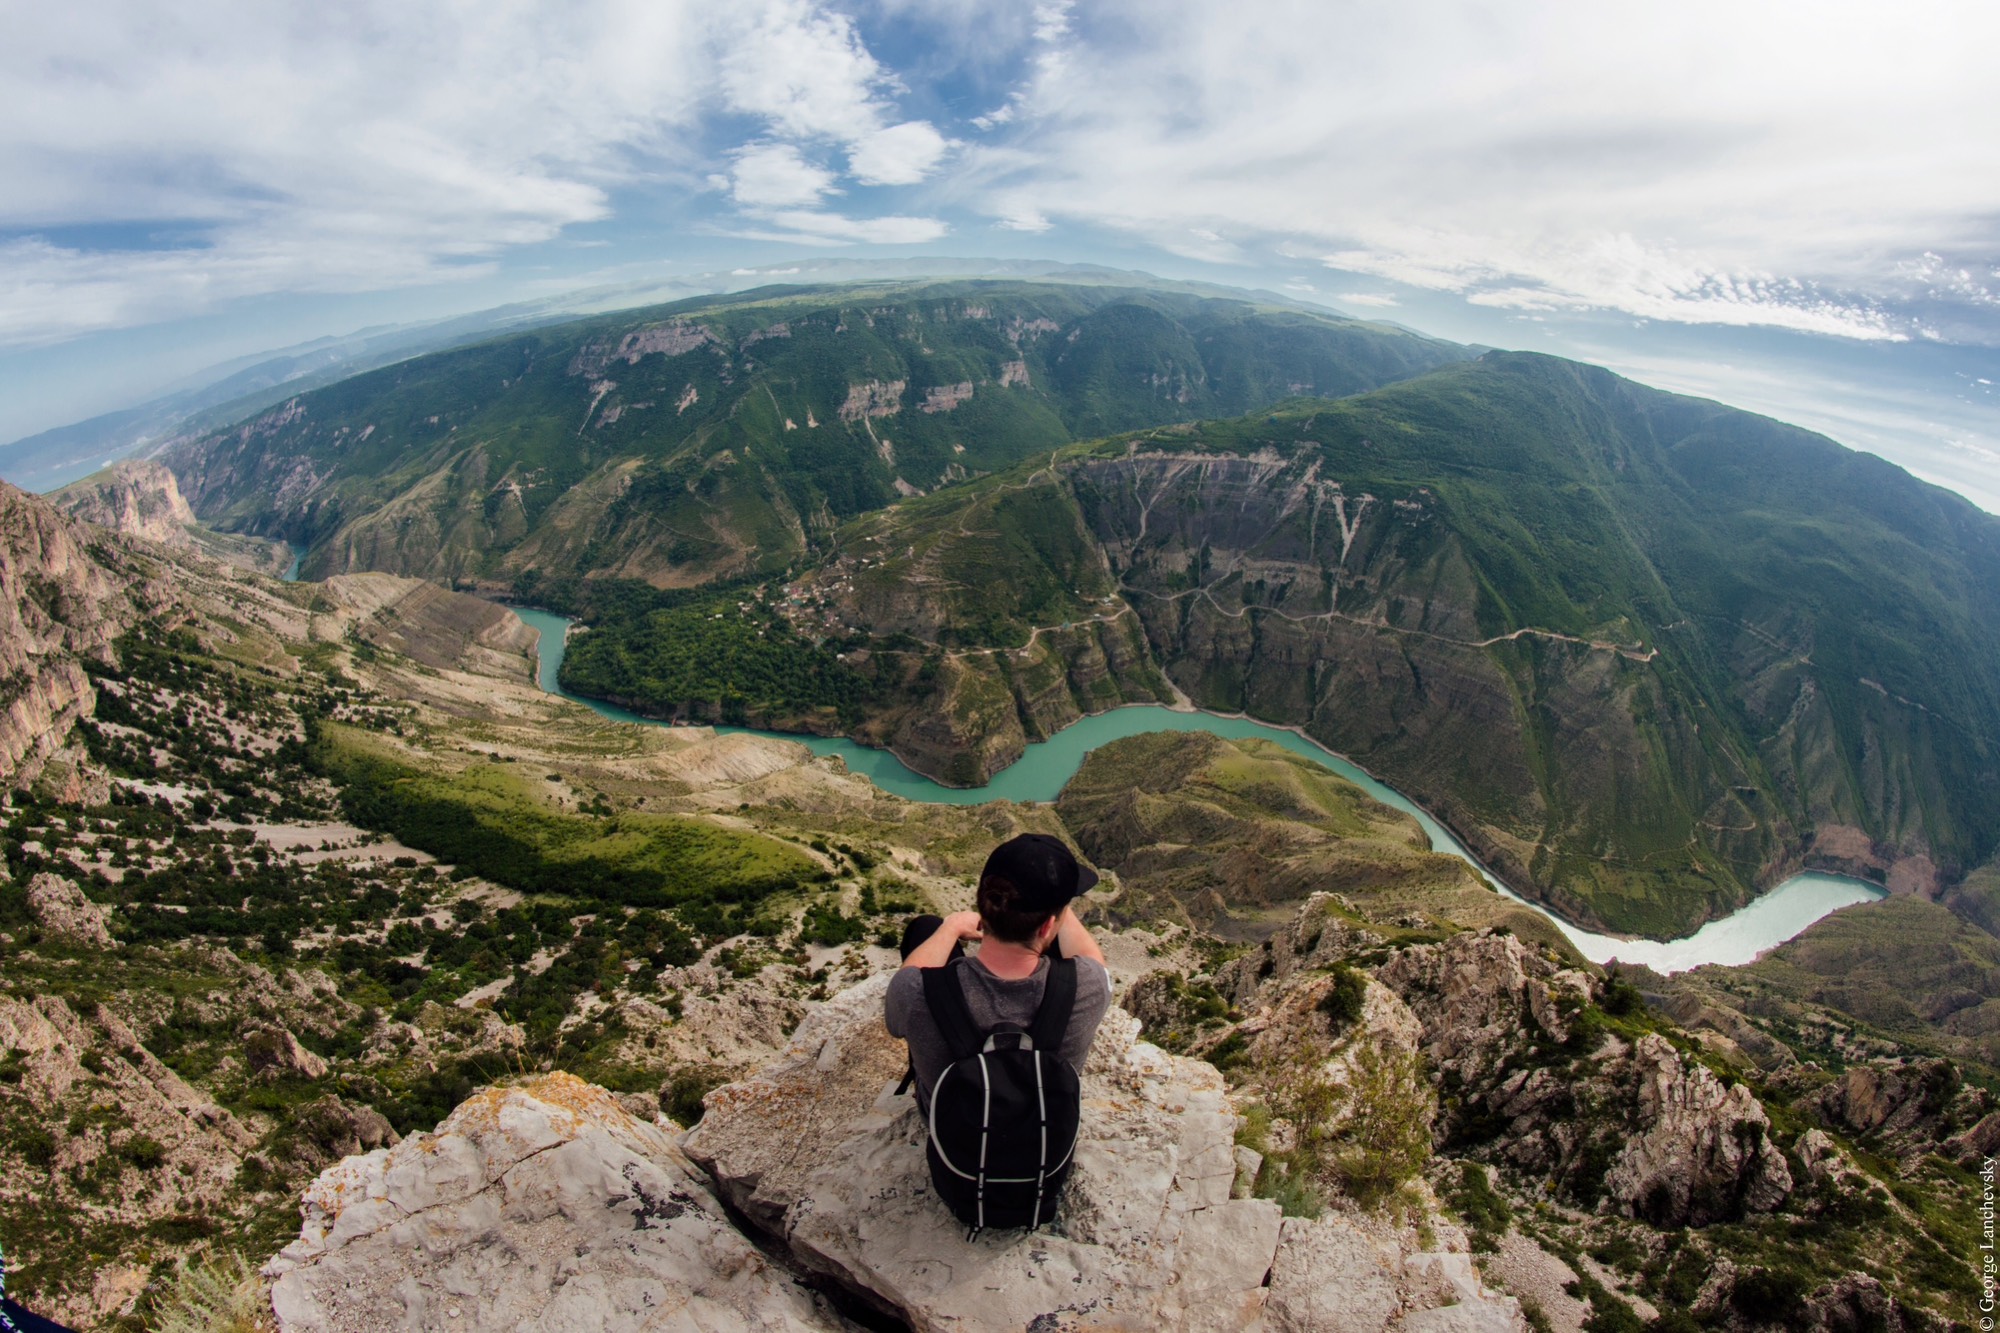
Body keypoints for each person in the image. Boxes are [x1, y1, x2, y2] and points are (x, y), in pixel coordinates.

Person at [884, 832, 1112, 1232]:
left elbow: (896, 1011)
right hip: (1041, 1138)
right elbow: (1091, 957)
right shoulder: (1088, 986)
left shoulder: (915, 993)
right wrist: (1056, 908)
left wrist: (951, 929)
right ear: (1047, 926)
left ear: (984, 907)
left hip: (956, 1132)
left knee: (925, 928)